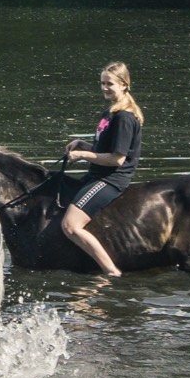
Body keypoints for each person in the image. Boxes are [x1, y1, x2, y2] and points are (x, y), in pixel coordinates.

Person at [59, 60, 144, 278]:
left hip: (110, 180)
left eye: (110, 84)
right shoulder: (110, 112)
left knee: (70, 225)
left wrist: (83, 155)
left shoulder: (124, 117)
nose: (105, 88)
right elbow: (104, 148)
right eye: (102, 83)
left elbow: (117, 159)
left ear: (124, 85)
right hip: (97, 174)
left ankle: (111, 271)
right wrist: (82, 144)